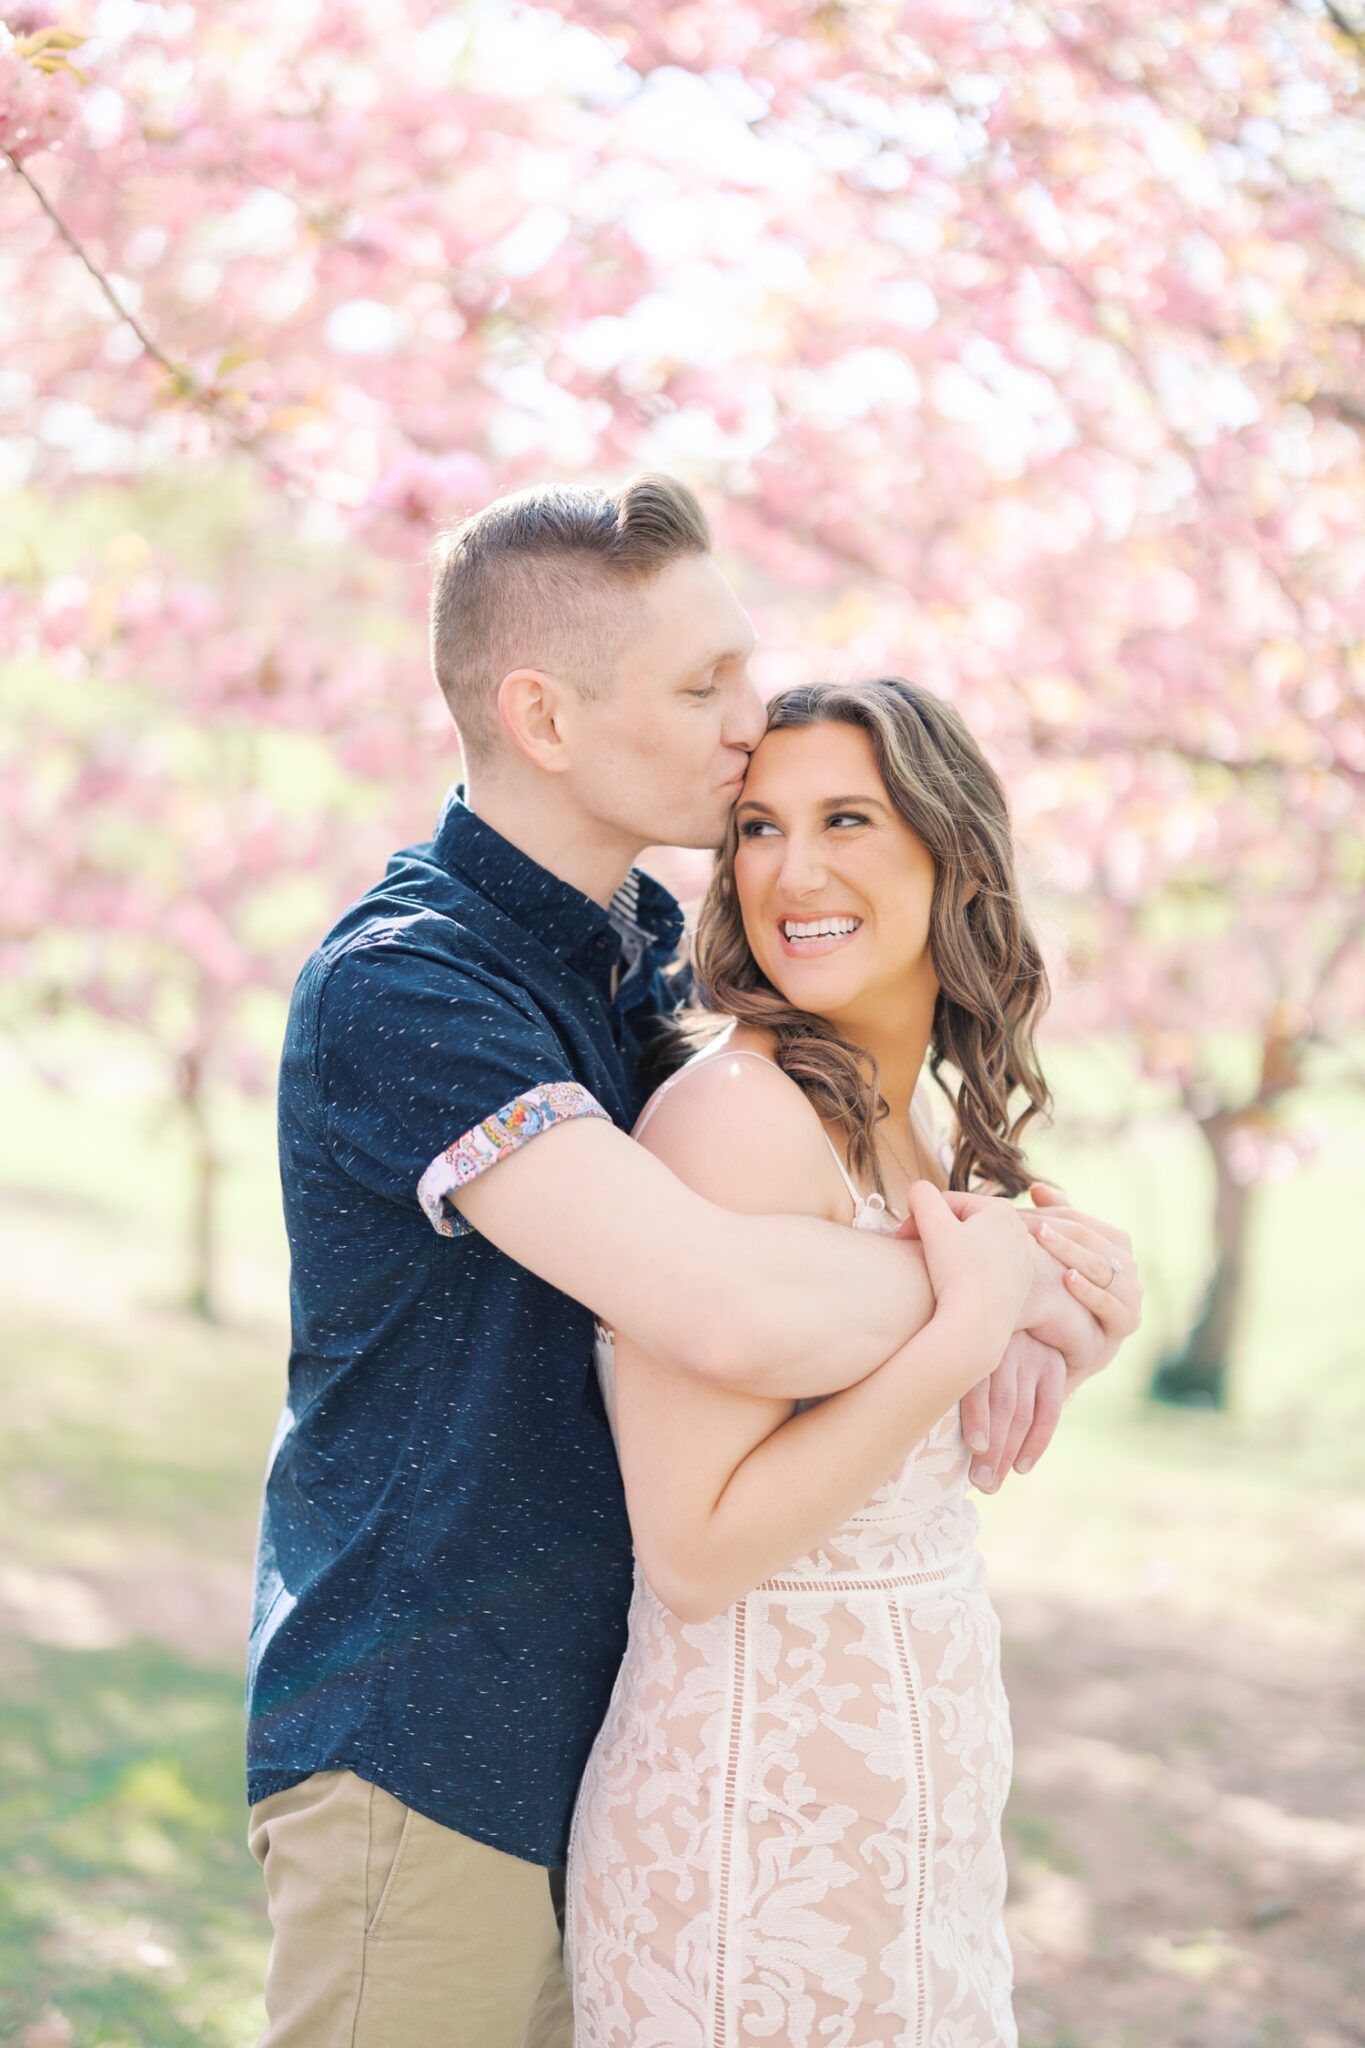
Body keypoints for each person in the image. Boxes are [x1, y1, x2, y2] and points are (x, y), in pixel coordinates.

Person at [245, 476, 1141, 2048]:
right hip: (435, 1746)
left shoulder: (635, 949)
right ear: (542, 713)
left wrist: (1008, 1255)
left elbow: (815, 1218)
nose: (748, 719)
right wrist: (980, 1284)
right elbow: (723, 1302)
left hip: (619, 1726)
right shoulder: (411, 989)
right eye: (699, 683)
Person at [567, 677, 1136, 2046]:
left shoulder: (906, 1129)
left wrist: (1061, 1318)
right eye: (757, 828)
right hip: (750, 1852)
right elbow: (697, 1555)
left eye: (844, 821)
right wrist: (961, 1335)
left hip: (903, 1833)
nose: (789, 871)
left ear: (952, 854)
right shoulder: (733, 1120)